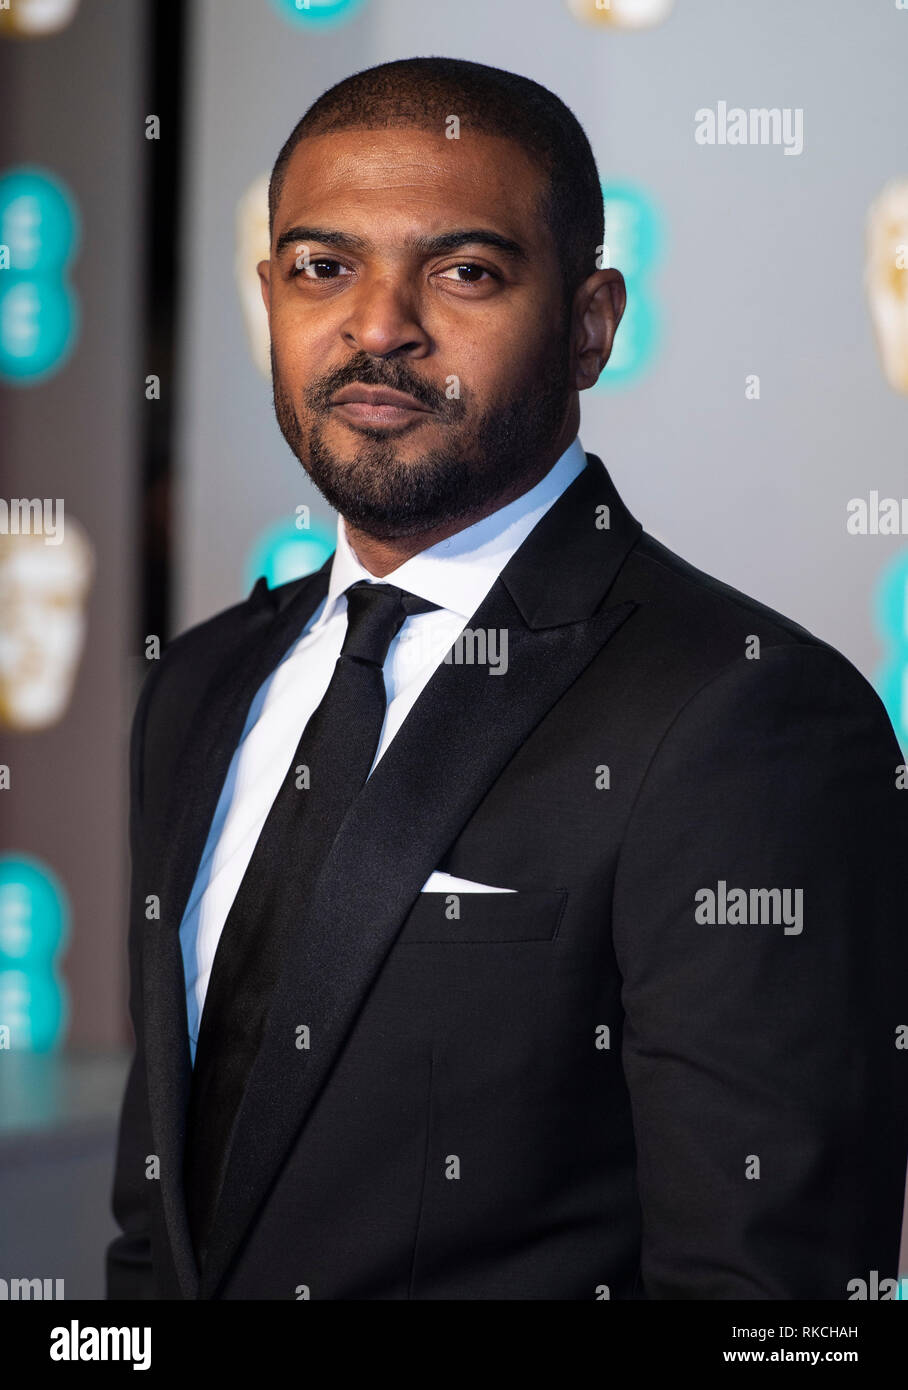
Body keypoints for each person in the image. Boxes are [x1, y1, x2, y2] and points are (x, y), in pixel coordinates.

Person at [107, 56, 908, 1300]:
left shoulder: (743, 715)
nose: (377, 326)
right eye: (323, 267)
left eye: (462, 272)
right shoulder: (201, 686)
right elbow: (161, 1234)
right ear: (268, 294)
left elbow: (766, 1295)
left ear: (588, 323)